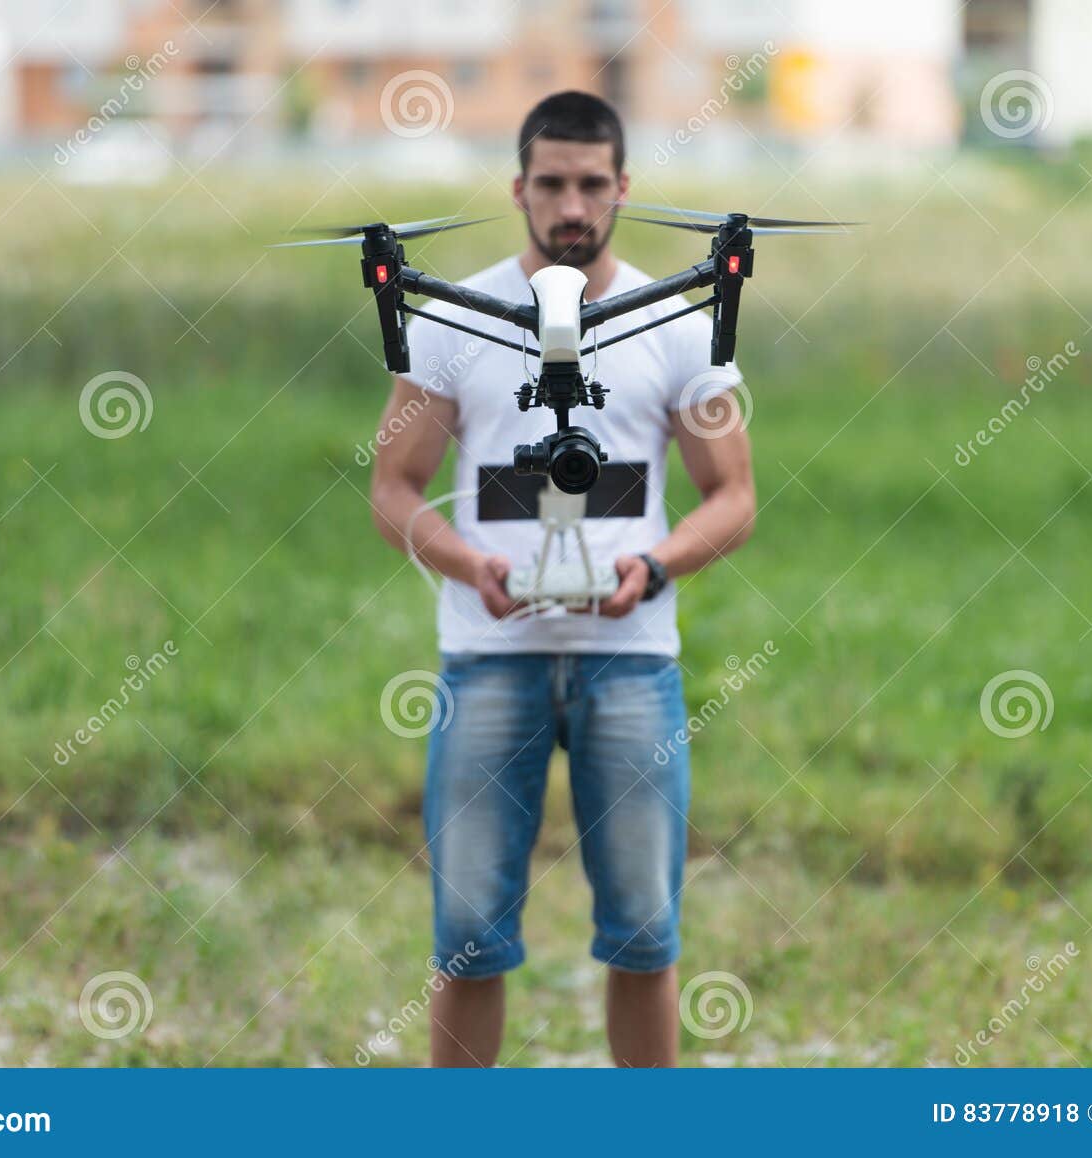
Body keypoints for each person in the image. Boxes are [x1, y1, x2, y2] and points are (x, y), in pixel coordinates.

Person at [368, 90, 756, 1067]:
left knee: (644, 934)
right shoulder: (455, 320)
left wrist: (652, 566)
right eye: (552, 183)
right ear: (519, 187)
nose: (571, 205)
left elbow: (733, 496)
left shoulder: (673, 325)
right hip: (486, 658)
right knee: (465, 940)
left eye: (591, 183)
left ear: (623, 188)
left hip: (629, 662)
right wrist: (469, 562)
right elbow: (392, 488)